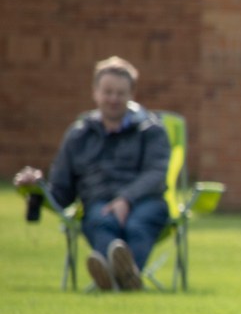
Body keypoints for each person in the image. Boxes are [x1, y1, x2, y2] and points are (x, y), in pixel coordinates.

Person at [13, 56, 169, 291]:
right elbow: (61, 193)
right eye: (108, 92)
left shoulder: (151, 130)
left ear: (131, 94)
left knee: (138, 225)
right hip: (98, 204)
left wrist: (126, 199)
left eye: (120, 93)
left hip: (146, 202)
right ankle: (125, 279)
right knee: (102, 222)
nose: (113, 99)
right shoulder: (79, 135)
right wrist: (35, 188)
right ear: (95, 92)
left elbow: (157, 173)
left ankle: (111, 276)